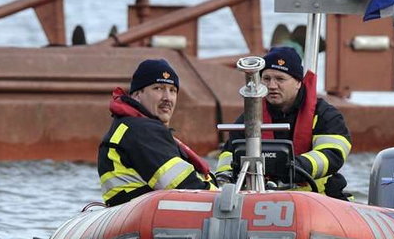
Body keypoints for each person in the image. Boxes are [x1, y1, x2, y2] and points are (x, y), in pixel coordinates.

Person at [215, 46, 352, 200]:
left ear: (298, 82)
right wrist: (224, 177)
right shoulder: (251, 117)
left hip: (320, 198)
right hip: (267, 199)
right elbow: (229, 153)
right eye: (266, 79)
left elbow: (333, 154)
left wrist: (295, 166)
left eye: (280, 79)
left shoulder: (325, 115)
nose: (272, 86)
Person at [97, 58, 216, 206]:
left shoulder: (127, 126)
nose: (167, 98)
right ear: (137, 95)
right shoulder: (141, 131)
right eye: (158, 88)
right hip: (148, 219)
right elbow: (187, 187)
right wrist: (224, 196)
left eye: (172, 91)